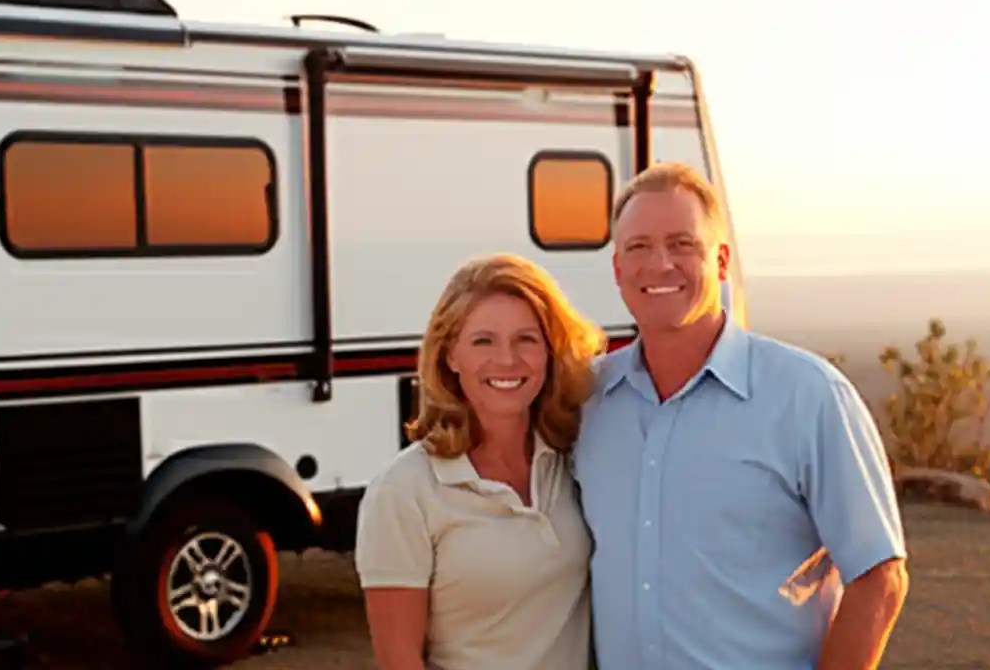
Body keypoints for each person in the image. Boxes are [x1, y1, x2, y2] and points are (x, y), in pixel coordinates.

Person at [572, 162, 909, 670]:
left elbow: (880, 577)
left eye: (682, 244)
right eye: (638, 247)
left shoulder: (808, 395)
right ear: (618, 269)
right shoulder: (587, 401)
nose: (659, 264)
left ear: (722, 261)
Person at [354, 253, 605, 670]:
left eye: (526, 339)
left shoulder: (572, 459)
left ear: (549, 351)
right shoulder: (403, 491)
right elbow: (399, 660)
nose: (506, 360)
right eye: (483, 341)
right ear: (451, 355)